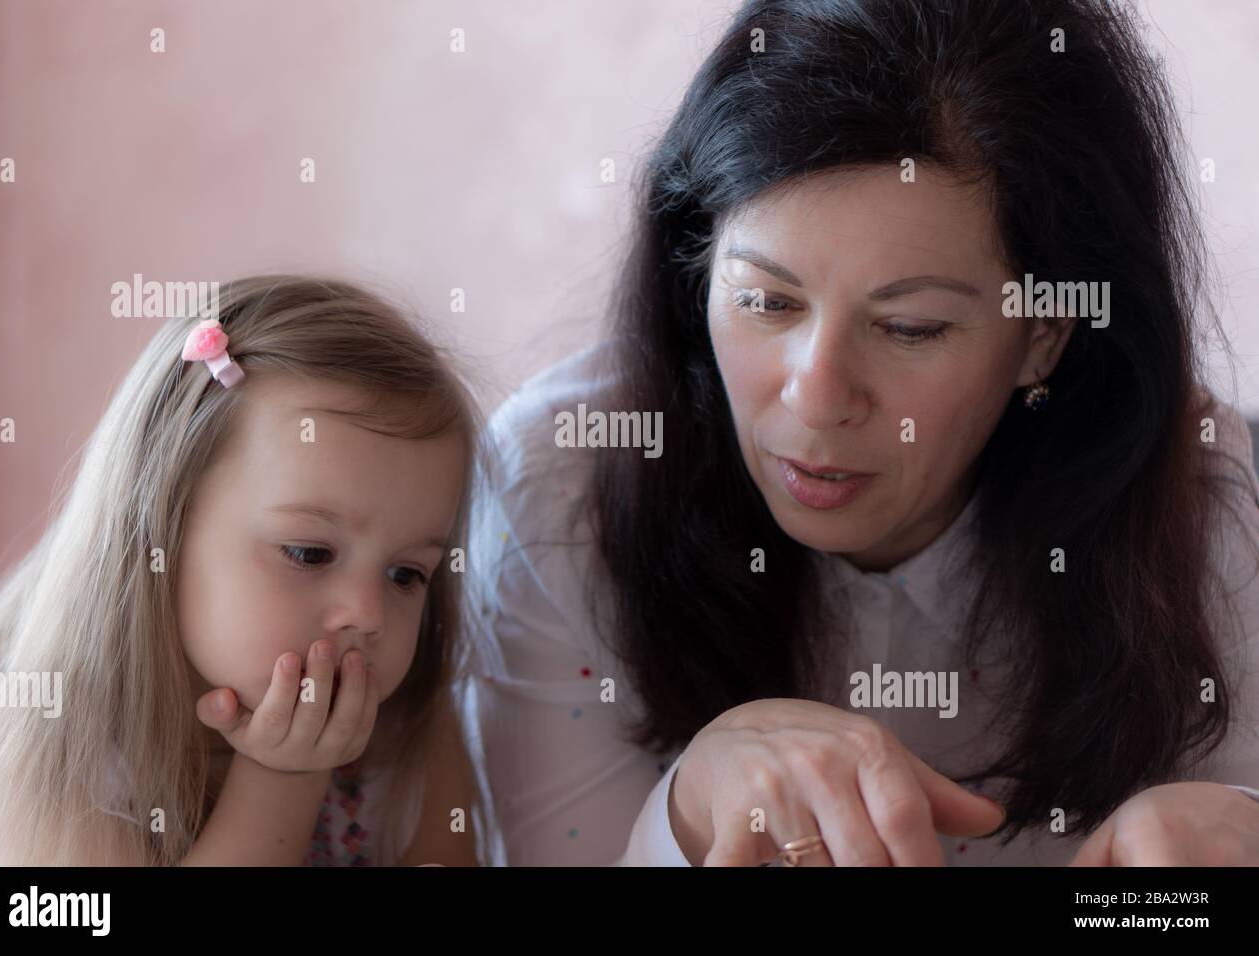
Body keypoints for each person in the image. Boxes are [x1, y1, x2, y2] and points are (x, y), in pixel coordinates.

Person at [465, 0, 1259, 866]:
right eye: (766, 302)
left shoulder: (1212, 511)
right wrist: (685, 815)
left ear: (1045, 333)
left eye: (910, 327)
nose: (816, 400)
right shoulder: (560, 486)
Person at [0, 276, 482, 866]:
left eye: (407, 574)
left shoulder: (407, 730)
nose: (367, 613)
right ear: (164, 525)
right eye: (309, 553)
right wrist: (284, 777)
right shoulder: (36, 734)